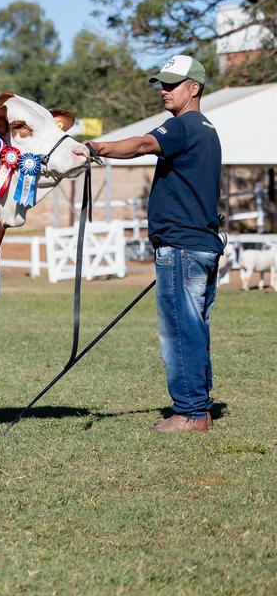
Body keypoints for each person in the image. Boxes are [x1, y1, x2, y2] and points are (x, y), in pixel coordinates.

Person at [90, 54, 222, 433]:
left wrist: (96, 148)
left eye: (171, 84)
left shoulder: (182, 126)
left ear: (193, 89)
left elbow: (143, 144)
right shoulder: (209, 130)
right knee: (195, 327)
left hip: (181, 246)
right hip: (200, 243)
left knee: (179, 329)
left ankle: (190, 413)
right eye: (161, 84)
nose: (163, 90)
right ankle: (198, 406)